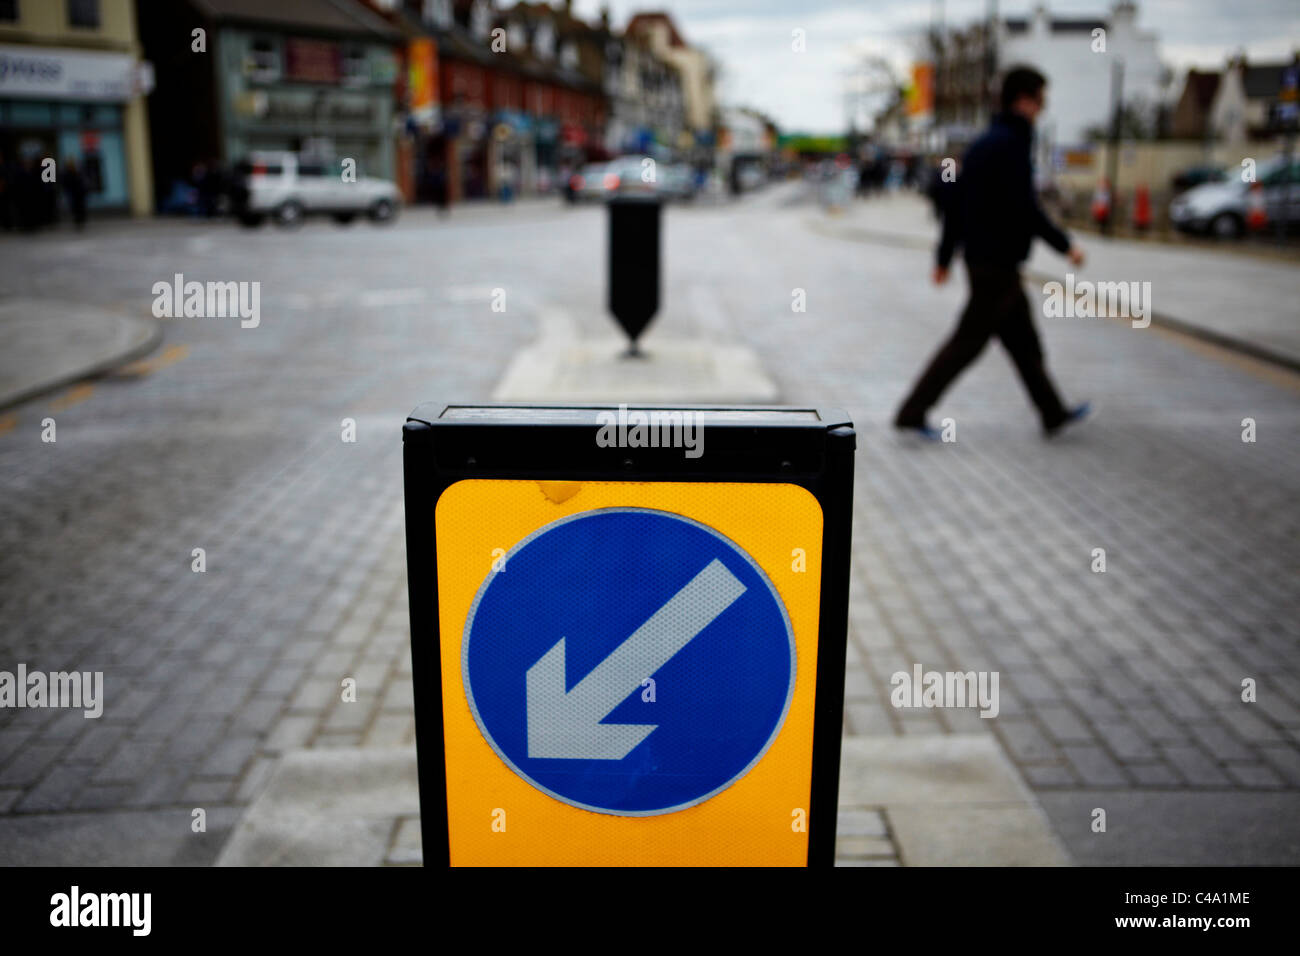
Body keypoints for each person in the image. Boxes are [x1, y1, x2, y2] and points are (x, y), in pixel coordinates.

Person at [894, 66, 1091, 439]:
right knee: (967, 344)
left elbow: (957, 202)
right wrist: (1066, 246)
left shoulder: (988, 143)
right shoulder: (1008, 145)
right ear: (1024, 99)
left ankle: (1051, 412)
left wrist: (944, 257)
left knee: (1023, 342)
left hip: (991, 262)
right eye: (1040, 98)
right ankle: (911, 412)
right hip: (994, 266)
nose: (1043, 107)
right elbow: (1024, 208)